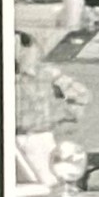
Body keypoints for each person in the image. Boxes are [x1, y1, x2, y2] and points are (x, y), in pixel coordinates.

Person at [13, 31, 90, 185]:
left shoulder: (46, 74)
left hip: (39, 138)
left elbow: (81, 94)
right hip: (10, 139)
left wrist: (64, 115)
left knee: (47, 185)